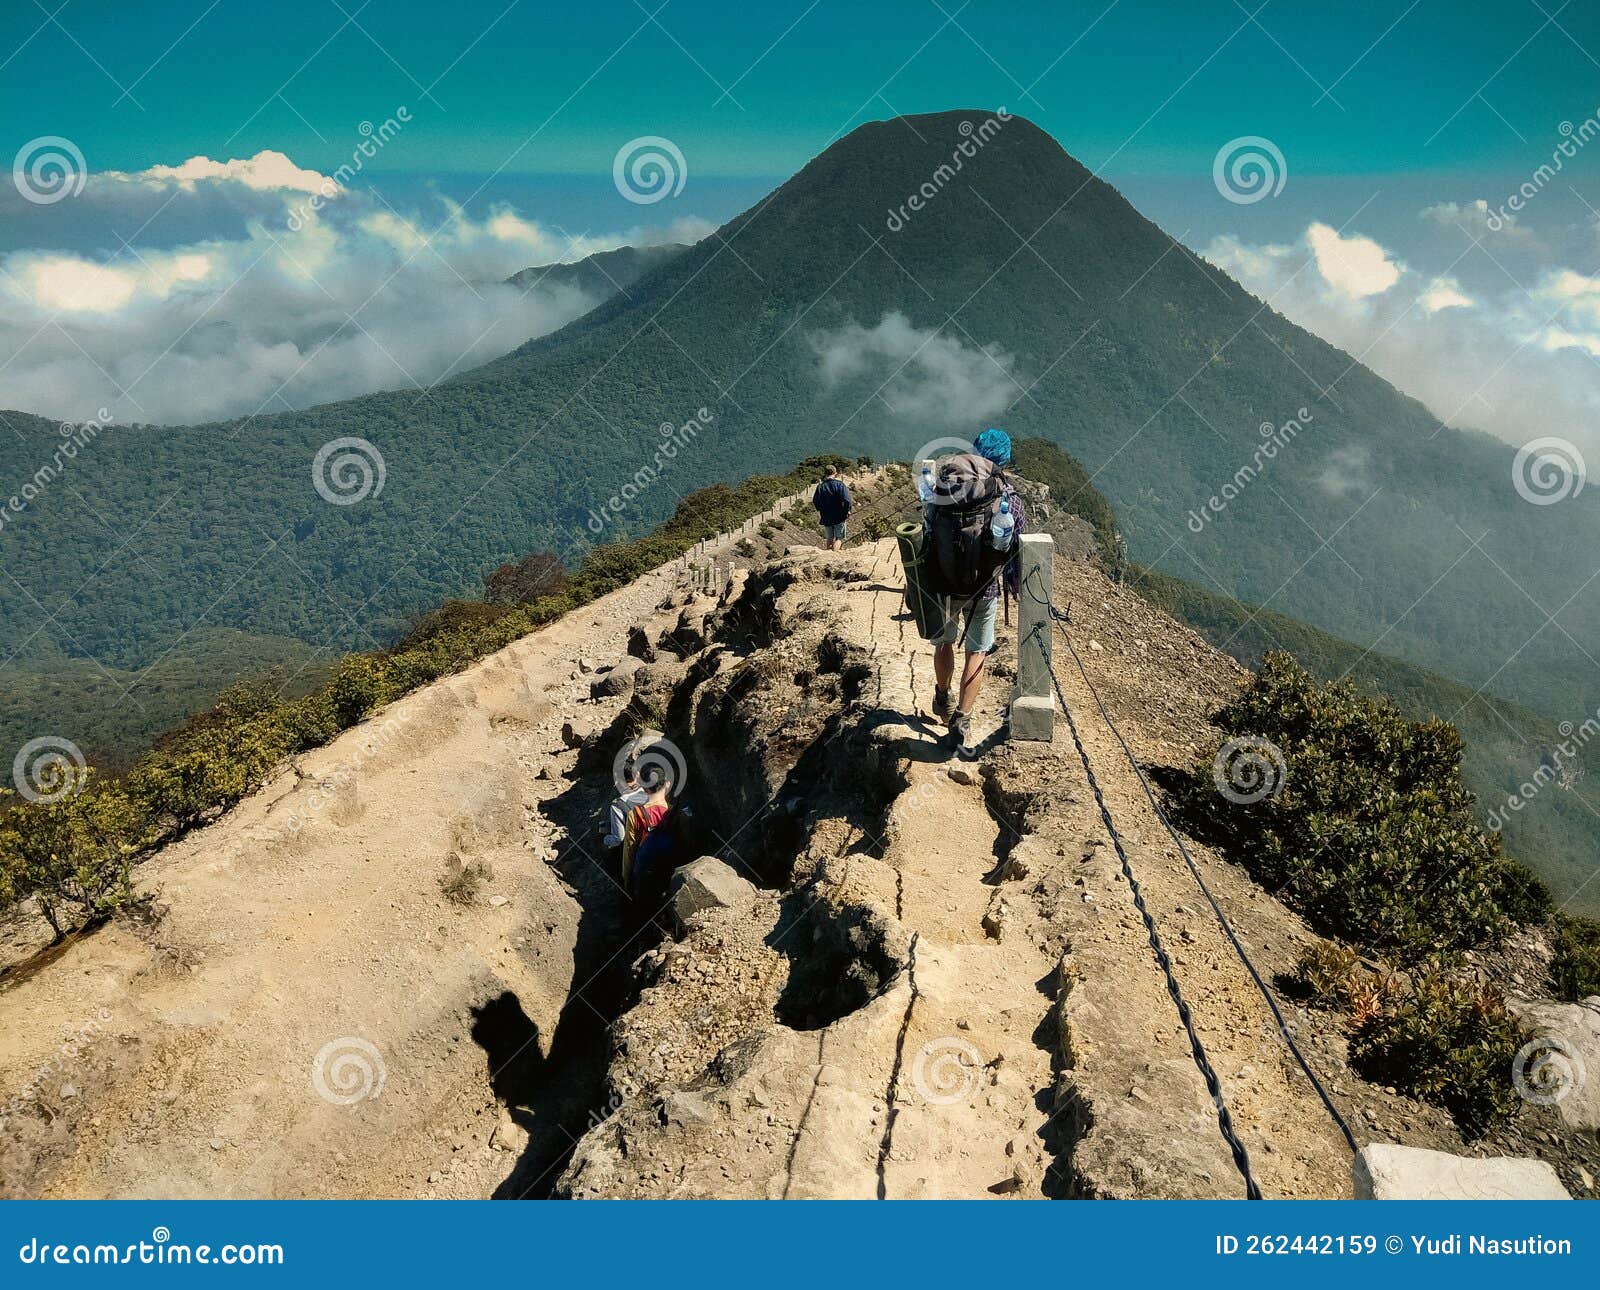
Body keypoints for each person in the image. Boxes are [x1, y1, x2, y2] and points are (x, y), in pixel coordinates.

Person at [927, 427, 1025, 757]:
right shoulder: (1008, 498)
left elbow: (928, 529)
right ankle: (962, 720)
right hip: (983, 588)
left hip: (943, 583)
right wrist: (1012, 584)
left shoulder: (944, 488)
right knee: (977, 651)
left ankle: (942, 695)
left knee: (943, 642)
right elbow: (1012, 548)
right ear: (1003, 460)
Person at [620, 774, 672, 894]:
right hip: (671, 873)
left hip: (645, 873)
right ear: (667, 784)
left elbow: (629, 848)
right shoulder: (675, 813)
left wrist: (626, 879)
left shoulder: (635, 813)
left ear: (644, 788)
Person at [602, 759, 649, 852]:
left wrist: (605, 839)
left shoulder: (618, 805)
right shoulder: (652, 791)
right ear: (638, 774)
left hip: (639, 849)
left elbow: (618, 838)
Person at [811, 464, 853, 551]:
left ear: (825, 473)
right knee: (839, 538)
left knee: (829, 538)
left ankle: (828, 554)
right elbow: (847, 500)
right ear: (835, 473)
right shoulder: (840, 485)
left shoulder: (820, 487)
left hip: (826, 516)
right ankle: (834, 555)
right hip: (839, 516)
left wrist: (821, 509)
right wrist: (847, 510)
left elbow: (815, 501)